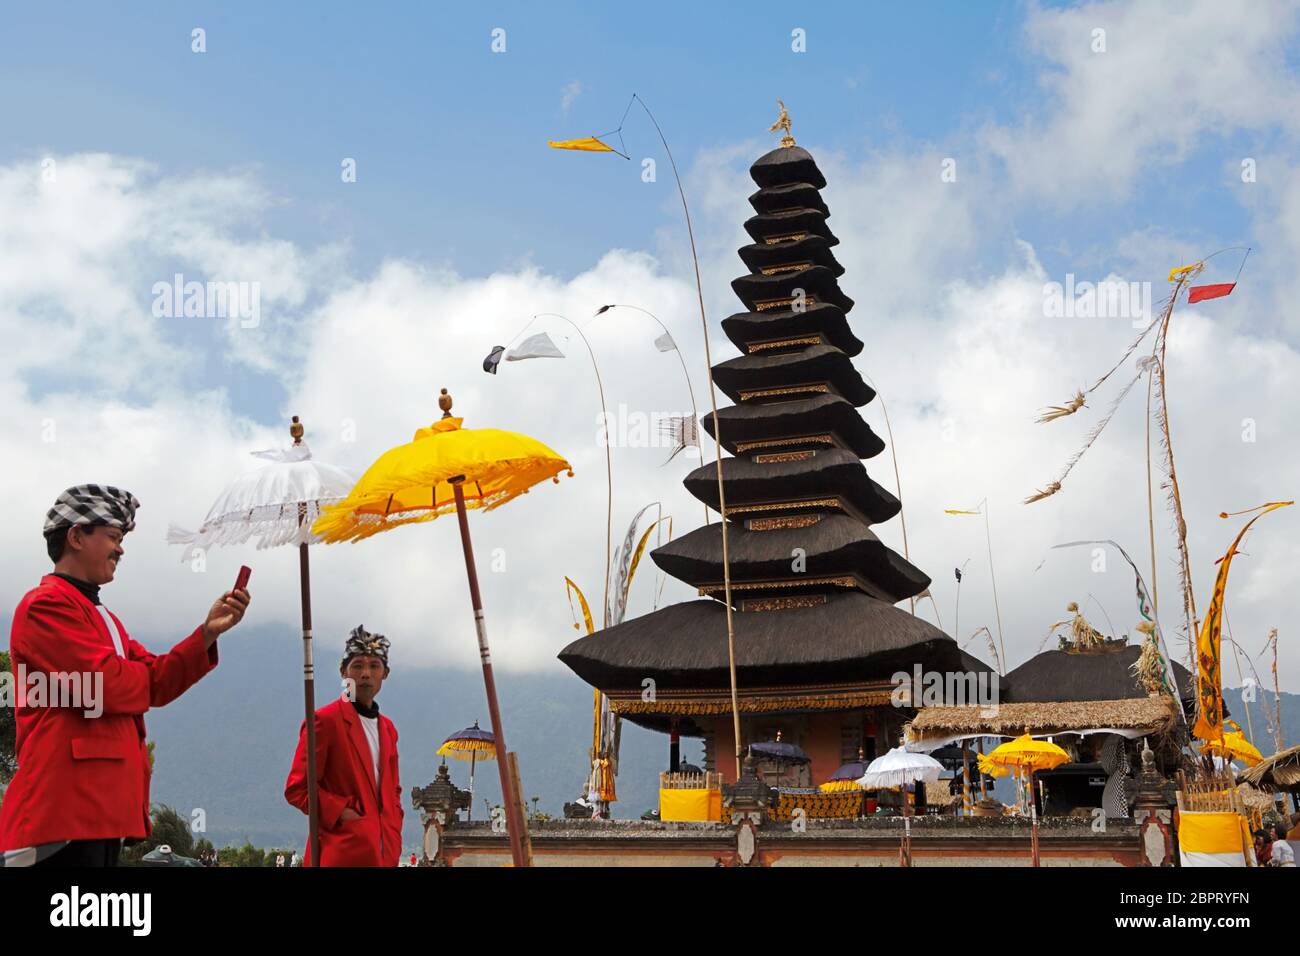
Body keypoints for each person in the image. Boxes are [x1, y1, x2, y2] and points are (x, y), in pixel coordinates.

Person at [0, 485, 250, 867]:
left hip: (97, 816)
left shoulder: (105, 618)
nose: (121, 549)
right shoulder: (44, 605)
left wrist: (207, 633)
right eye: (114, 537)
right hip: (61, 818)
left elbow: (156, 681)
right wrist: (140, 677)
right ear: (76, 536)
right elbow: (105, 685)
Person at [284, 626, 403, 866]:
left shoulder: (388, 729)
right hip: (340, 852)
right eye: (357, 666)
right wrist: (342, 813)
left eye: (374, 666)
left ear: (385, 673)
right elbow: (298, 789)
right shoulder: (324, 721)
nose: (366, 674)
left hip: (384, 854)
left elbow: (393, 790)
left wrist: (394, 819)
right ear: (343, 672)